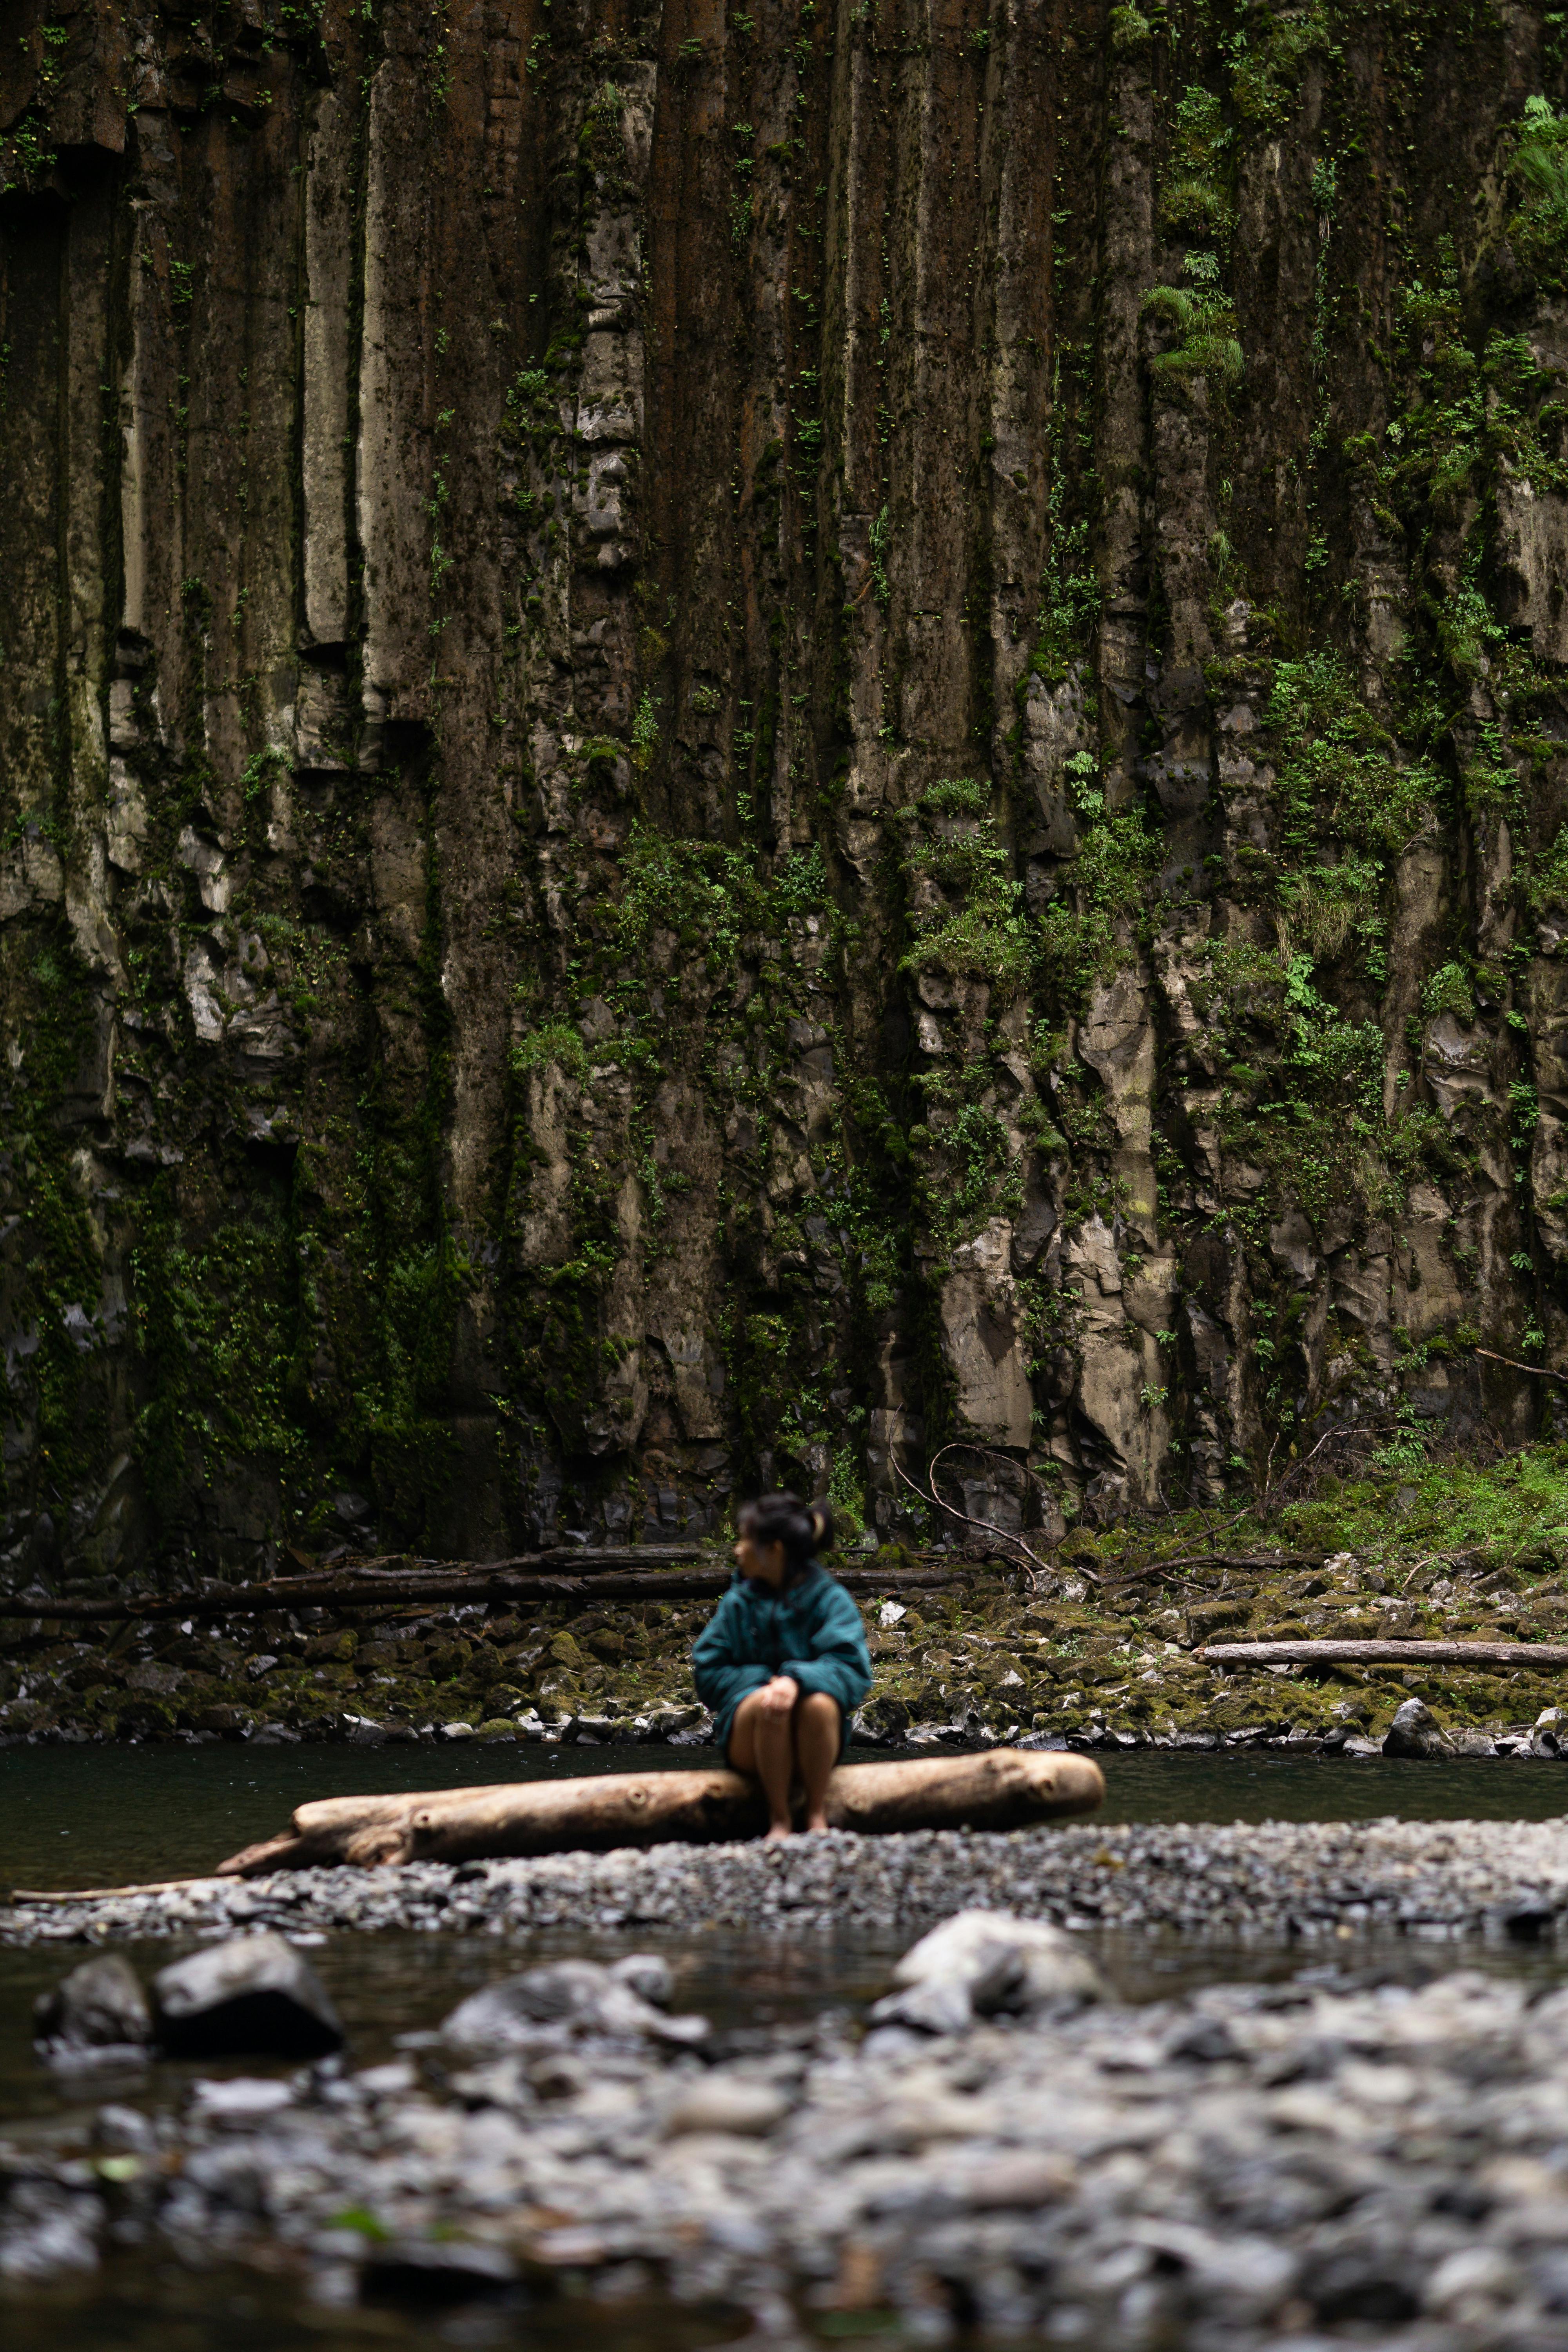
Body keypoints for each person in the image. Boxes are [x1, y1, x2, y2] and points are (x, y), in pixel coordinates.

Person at [692, 1494, 872, 1839]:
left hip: (813, 1740)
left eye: (745, 1539)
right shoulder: (736, 1604)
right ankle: (780, 1820)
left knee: (819, 1704)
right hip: (750, 1736)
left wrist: (795, 1681)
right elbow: (708, 1671)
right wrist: (766, 1684)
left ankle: (817, 1815)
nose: (738, 1550)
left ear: (773, 1550)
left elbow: (852, 1667)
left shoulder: (829, 1599)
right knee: (768, 1705)